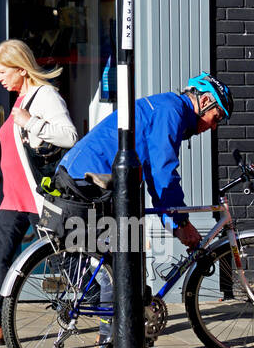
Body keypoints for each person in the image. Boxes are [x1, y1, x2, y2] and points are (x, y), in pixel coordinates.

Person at [0, 40, 78, 346]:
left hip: (40, 197)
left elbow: (69, 135)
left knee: (69, 261)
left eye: (2, 72)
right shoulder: (20, 97)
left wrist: (31, 122)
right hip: (14, 198)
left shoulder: (44, 96)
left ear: (21, 70)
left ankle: (112, 320)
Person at [55, 72, 233, 255]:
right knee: (122, 259)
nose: (213, 127)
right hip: (89, 178)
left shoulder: (167, 106)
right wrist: (182, 222)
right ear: (204, 102)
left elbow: (154, 175)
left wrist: (174, 223)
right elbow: (163, 173)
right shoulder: (171, 112)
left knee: (127, 252)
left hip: (79, 172)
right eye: (217, 117)